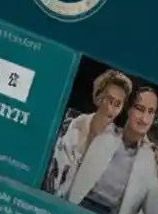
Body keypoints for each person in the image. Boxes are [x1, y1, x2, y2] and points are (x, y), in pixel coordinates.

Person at [70, 85, 158, 214]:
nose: (144, 118)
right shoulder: (103, 132)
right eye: (140, 109)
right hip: (76, 211)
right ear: (128, 109)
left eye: (150, 112)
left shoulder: (151, 160)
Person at [42, 69, 131, 199]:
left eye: (117, 104)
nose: (111, 108)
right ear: (99, 98)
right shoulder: (70, 123)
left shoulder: (116, 144)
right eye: (109, 100)